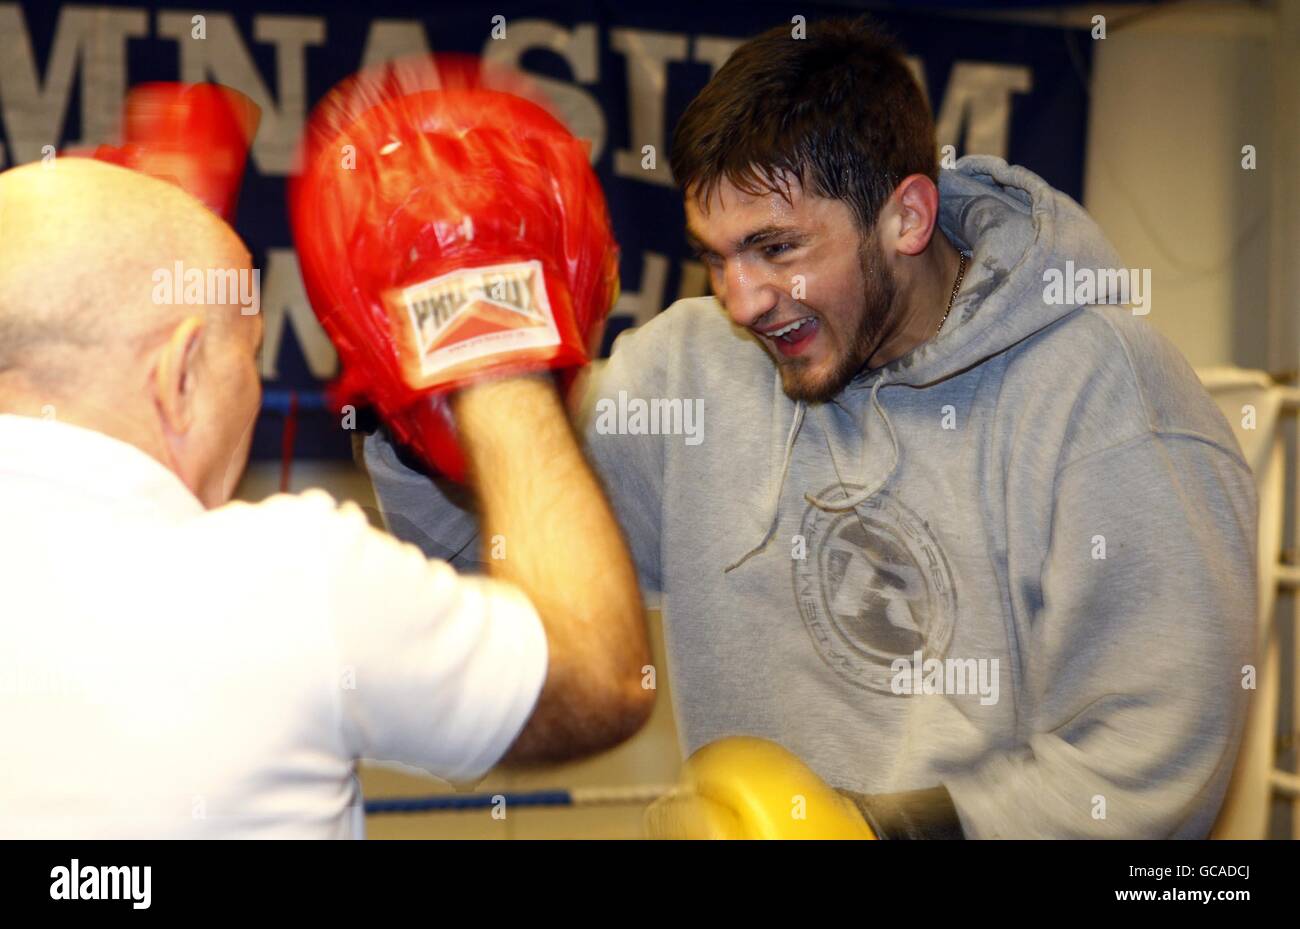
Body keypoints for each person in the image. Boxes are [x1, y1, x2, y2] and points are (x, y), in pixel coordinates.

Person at [365, 16, 1258, 839]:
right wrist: (421, 402)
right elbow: (493, 565)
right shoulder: (689, 366)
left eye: (777, 247)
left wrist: (882, 831)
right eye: (715, 256)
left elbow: (1152, 761)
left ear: (906, 215)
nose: (743, 299)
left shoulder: (1106, 398)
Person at [0, 157, 651, 838]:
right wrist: (487, 332)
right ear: (180, 374)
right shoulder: (288, 576)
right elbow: (600, 676)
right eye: (247, 359)